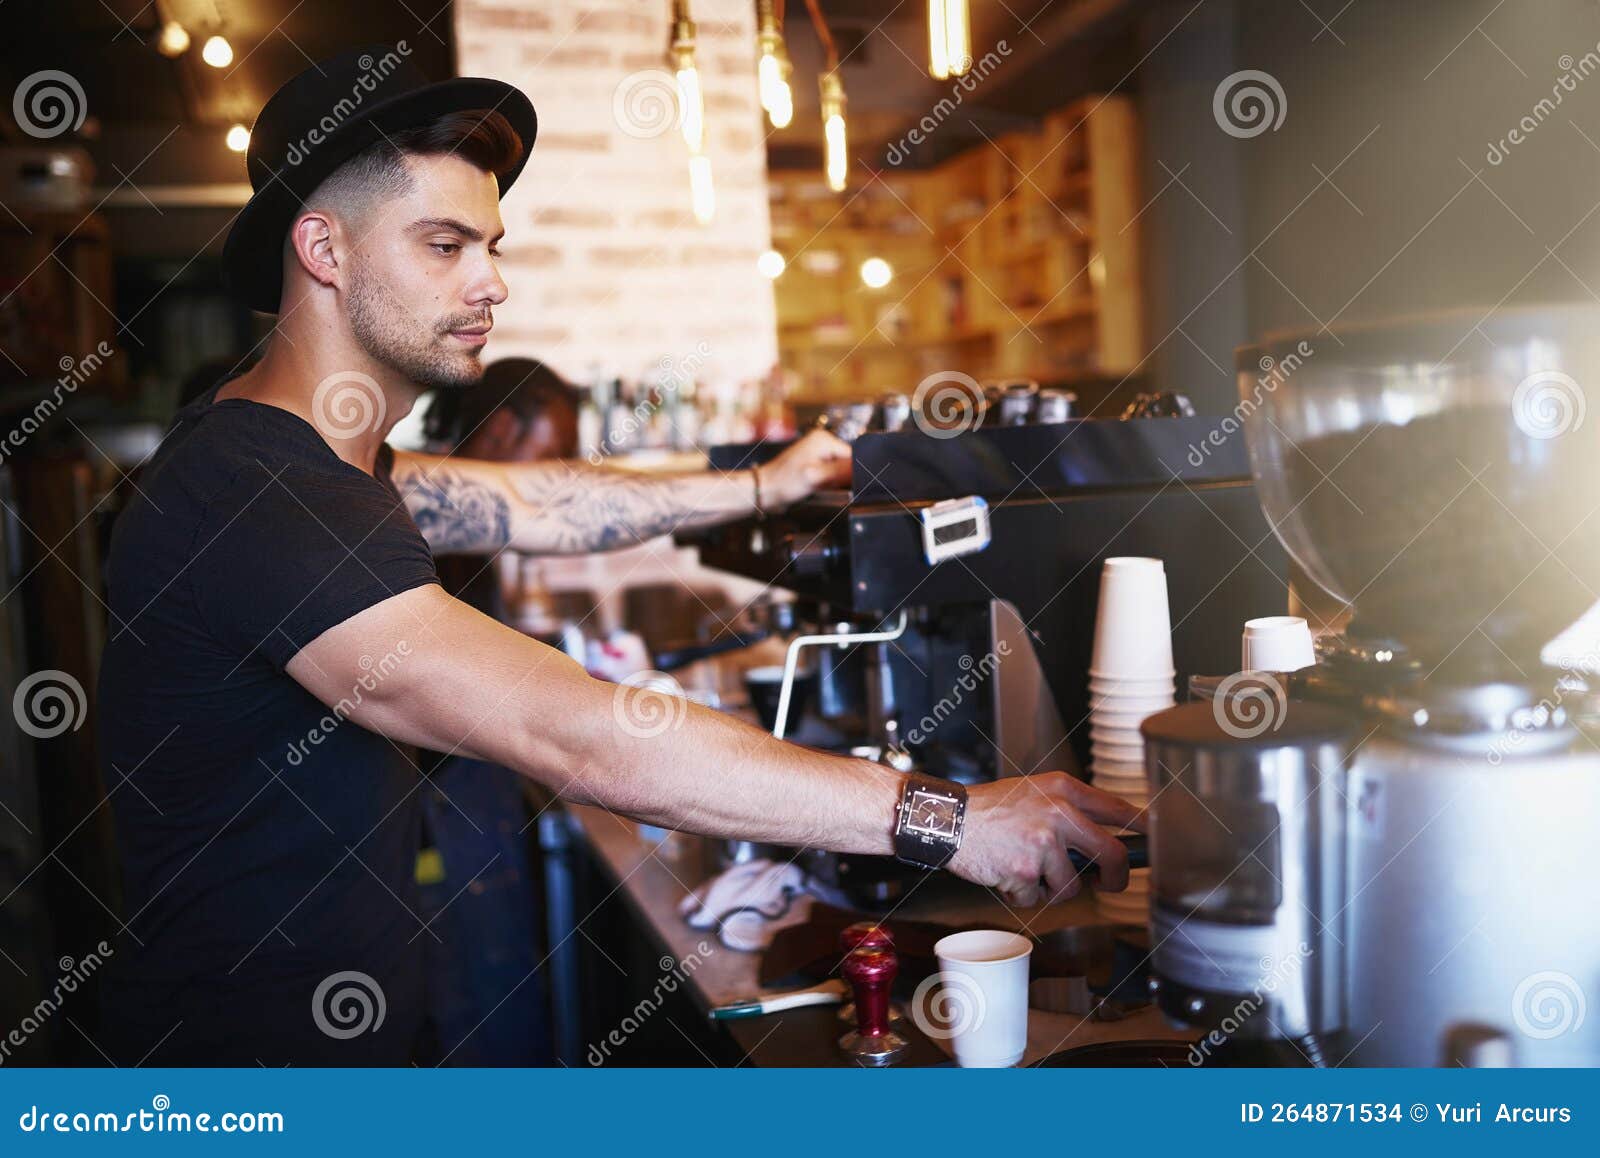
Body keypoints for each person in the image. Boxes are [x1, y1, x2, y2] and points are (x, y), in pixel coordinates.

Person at [95, 46, 1139, 1066]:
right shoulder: (254, 494)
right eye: (446, 245)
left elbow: (544, 501)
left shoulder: (324, 464)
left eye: (492, 246)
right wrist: (949, 820)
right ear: (324, 251)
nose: (492, 284)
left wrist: (758, 486)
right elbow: (583, 738)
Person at [416, 358, 583, 1065]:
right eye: (547, 459)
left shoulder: (464, 531)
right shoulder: (422, 520)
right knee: (481, 1008)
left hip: (471, 791)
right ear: (502, 429)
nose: (551, 482)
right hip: (439, 808)